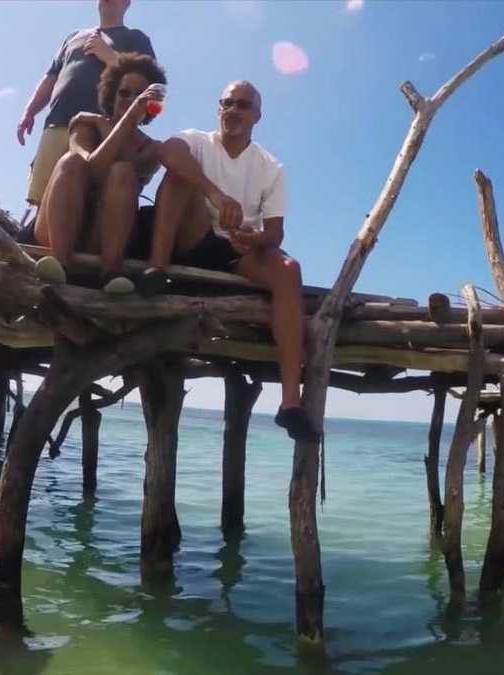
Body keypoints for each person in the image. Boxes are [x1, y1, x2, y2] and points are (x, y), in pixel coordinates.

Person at [140, 81, 315, 443]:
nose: (233, 110)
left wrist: (254, 239)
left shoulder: (270, 167)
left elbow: (275, 233)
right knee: (180, 174)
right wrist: (217, 196)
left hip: (236, 249)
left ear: (257, 115)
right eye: (227, 103)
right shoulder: (198, 141)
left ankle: (290, 403)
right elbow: (166, 151)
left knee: (289, 270)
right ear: (219, 109)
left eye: (243, 105)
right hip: (190, 238)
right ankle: (156, 267)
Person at [31, 53, 167, 293]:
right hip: (57, 227)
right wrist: (120, 122)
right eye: (124, 92)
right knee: (71, 161)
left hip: (105, 233)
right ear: (112, 94)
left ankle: (111, 272)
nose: (131, 100)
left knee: (123, 171)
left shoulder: (151, 148)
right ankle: (60, 265)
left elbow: (128, 169)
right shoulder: (85, 123)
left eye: (139, 95)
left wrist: (118, 125)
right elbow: (90, 168)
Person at [18, 0, 155, 211]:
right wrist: (29, 111)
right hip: (57, 124)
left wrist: (109, 56)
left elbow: (146, 82)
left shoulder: (136, 38)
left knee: (87, 203)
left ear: (127, 3)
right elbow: (51, 77)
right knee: (42, 200)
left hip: (103, 130)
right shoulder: (73, 37)